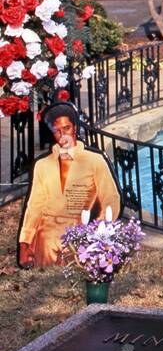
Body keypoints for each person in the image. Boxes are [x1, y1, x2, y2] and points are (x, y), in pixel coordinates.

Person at [18, 104, 122, 268]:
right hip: (46, 239)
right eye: (56, 131)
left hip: (80, 235)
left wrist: (98, 236)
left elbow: (111, 200)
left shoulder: (94, 161)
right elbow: (34, 206)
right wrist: (24, 244)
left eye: (66, 128)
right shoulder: (42, 165)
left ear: (75, 127)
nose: (62, 135)